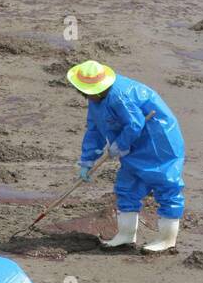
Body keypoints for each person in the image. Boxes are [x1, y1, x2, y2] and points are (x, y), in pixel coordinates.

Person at [67, 59, 185, 254]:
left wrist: (119, 145)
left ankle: (167, 239)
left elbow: (135, 123)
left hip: (158, 141)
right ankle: (126, 235)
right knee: (127, 186)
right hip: (133, 144)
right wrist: (87, 160)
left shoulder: (119, 96)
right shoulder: (95, 101)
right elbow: (94, 129)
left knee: (165, 185)